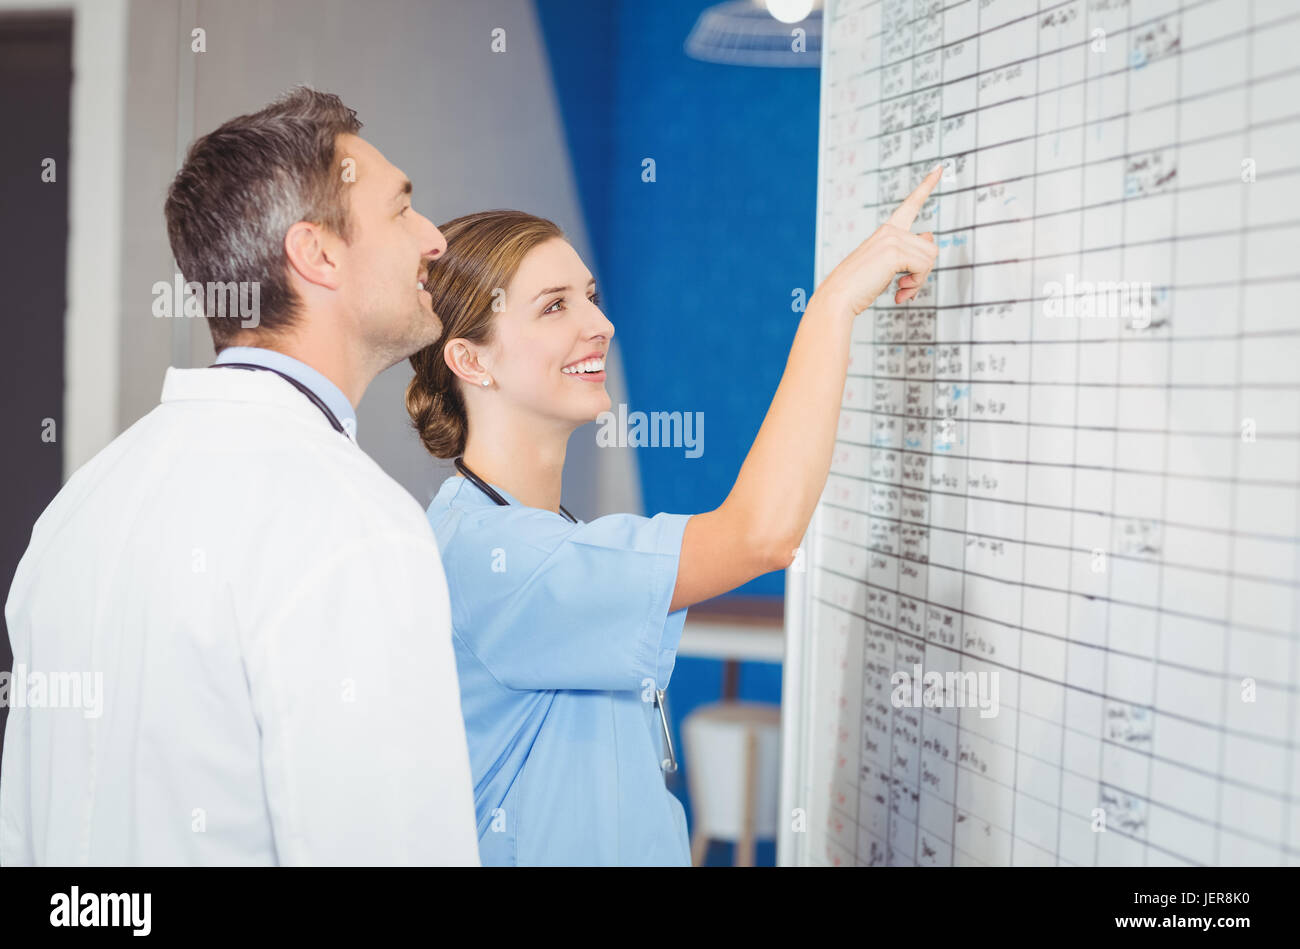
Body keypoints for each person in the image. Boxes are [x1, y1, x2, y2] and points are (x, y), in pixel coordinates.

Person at [405, 166, 942, 865]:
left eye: (591, 298)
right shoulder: (497, 559)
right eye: (554, 307)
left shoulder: (509, 533)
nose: (600, 325)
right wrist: (832, 306)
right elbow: (761, 534)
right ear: (470, 361)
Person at [0, 87, 480, 865]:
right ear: (317, 253)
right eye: (401, 210)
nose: (433, 240)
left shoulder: (74, 510)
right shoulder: (353, 522)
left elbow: (20, 834)